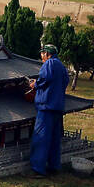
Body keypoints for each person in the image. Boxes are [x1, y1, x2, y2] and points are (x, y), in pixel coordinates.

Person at [27, 44, 69, 176]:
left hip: (46, 107)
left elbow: (45, 79)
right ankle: (53, 166)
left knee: (41, 138)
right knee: (54, 139)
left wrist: (35, 84)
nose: (41, 56)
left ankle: (37, 169)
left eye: (42, 53)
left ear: (47, 53)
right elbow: (65, 81)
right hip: (58, 106)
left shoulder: (49, 64)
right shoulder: (61, 66)